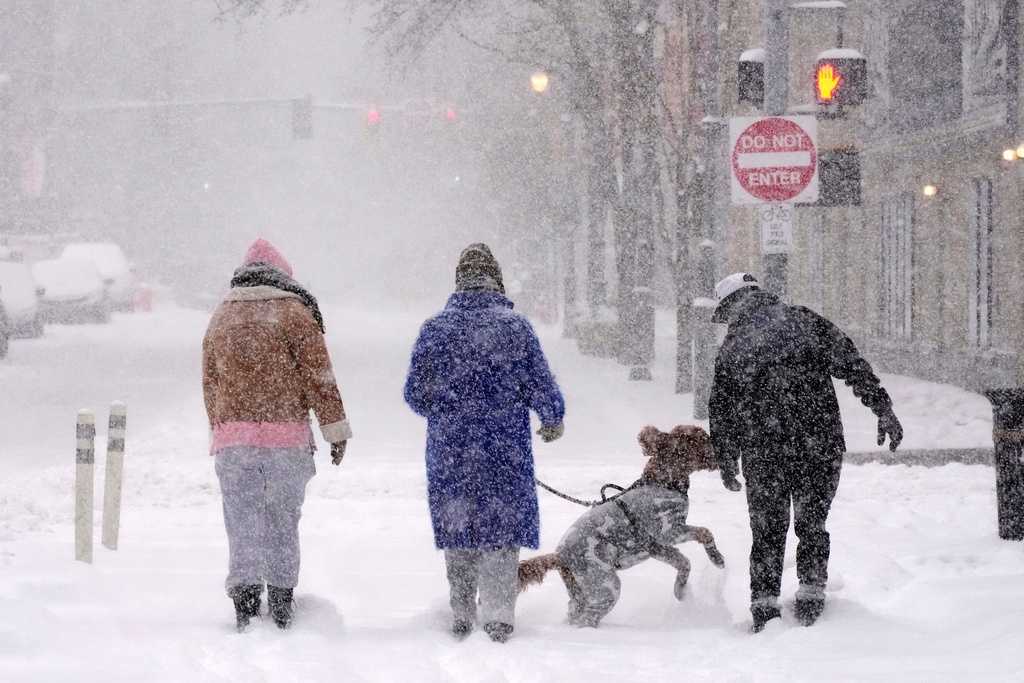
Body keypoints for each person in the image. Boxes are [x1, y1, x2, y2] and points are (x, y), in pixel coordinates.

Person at [708, 272, 903, 632]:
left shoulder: (735, 345)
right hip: (820, 443)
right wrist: (882, 408)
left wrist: (725, 456)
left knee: (767, 530)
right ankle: (812, 593)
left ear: (733, 305)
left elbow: (722, 409)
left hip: (764, 451)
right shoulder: (805, 321)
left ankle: (765, 605)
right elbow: (852, 364)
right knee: (813, 523)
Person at [404, 243, 565, 643]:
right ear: (496, 280)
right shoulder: (516, 328)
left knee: (459, 527)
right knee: (502, 528)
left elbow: (414, 393)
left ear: (459, 280)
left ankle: (461, 609)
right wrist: (551, 416)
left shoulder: (435, 329)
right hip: (504, 446)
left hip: (451, 449)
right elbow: (540, 382)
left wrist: (449, 411)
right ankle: (498, 614)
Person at [202, 238, 352, 632]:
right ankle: (282, 600)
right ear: (283, 275)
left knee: (241, 522)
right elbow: (319, 378)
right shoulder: (294, 312)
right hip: (286, 440)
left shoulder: (221, 316)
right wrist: (335, 430)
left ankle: (246, 601)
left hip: (234, 442)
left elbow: (210, 382)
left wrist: (221, 429)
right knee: (282, 521)